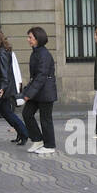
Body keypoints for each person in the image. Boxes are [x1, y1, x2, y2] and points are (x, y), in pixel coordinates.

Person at [22, 26, 57, 154]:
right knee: (27, 114)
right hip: (37, 92)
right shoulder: (36, 52)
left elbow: (41, 76)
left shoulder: (44, 54)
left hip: (46, 93)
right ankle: (37, 140)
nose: (28, 40)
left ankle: (49, 145)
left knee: (45, 119)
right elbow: (34, 77)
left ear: (37, 39)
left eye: (30, 37)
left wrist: (28, 94)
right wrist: (28, 92)